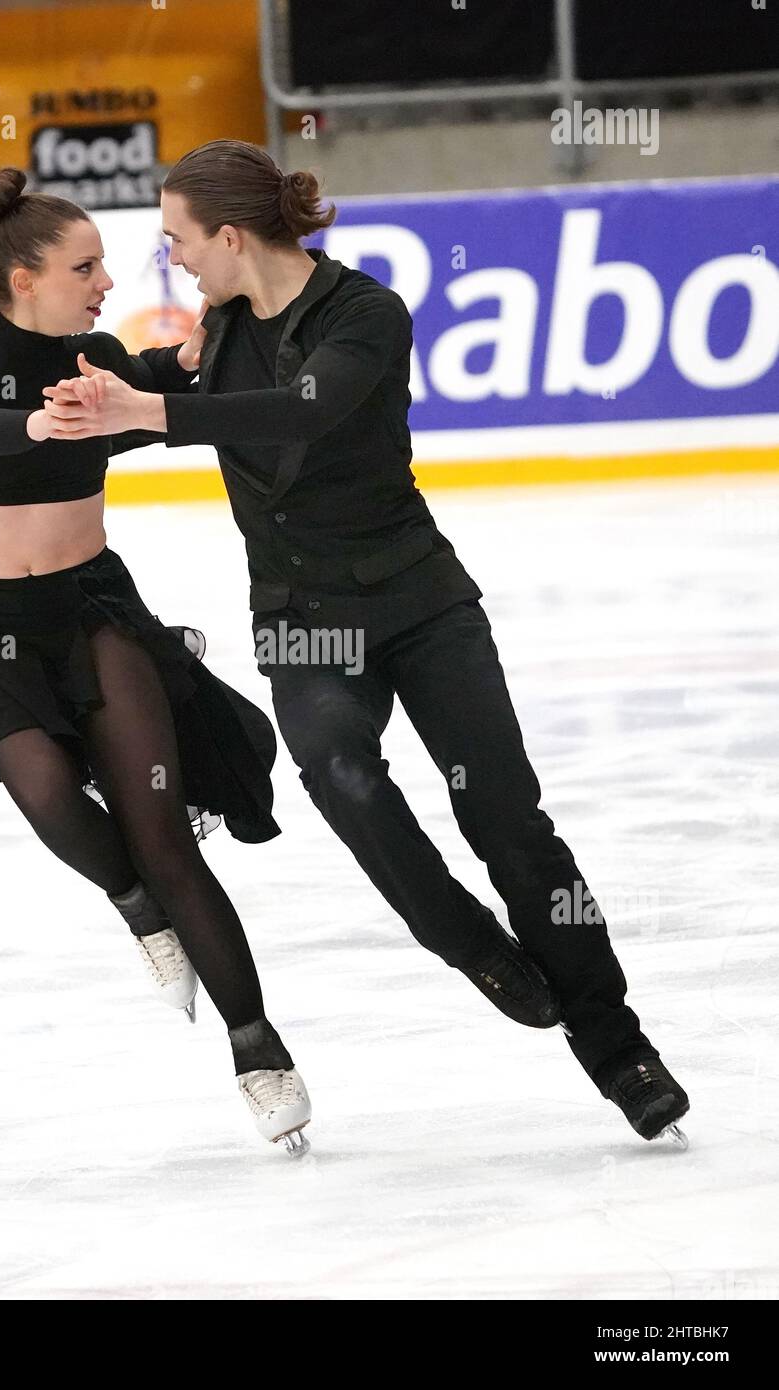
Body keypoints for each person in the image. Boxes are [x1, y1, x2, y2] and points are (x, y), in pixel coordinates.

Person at [41, 139, 690, 1147]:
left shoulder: (365, 314)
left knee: (509, 823)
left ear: (229, 234)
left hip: (421, 604)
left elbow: (304, 408)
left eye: (177, 241)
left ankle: (620, 1049)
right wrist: (75, 392)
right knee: (342, 777)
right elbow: (152, 388)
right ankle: (465, 938)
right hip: (305, 621)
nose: (172, 262)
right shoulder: (217, 334)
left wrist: (154, 408)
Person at [0, 166, 311, 1155]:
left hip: (96, 609)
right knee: (47, 791)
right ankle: (135, 905)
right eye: (85, 266)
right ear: (24, 279)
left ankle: (259, 1051)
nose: (105, 281)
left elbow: (167, 382)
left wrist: (188, 357)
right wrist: (41, 423)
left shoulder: (96, 355)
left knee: (162, 828)